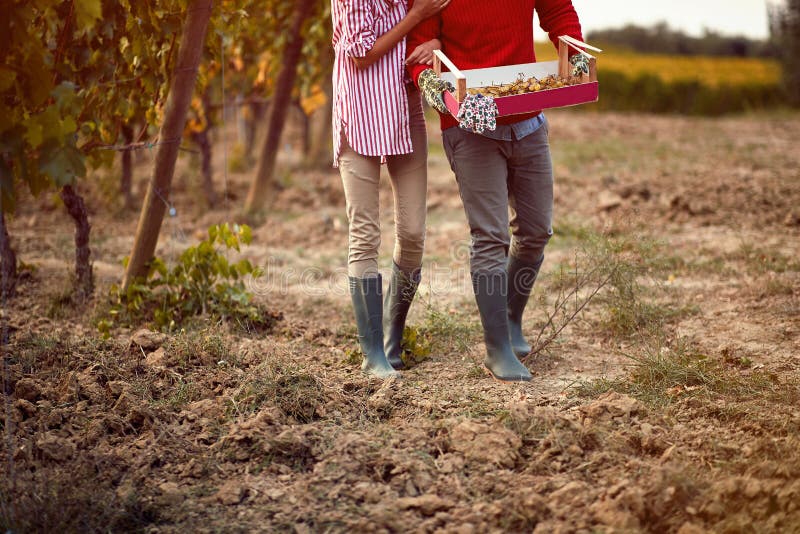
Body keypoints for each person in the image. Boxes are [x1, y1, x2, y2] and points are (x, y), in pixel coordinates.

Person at [406, 0, 587, 382]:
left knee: (536, 231)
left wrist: (575, 51)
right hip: (469, 127)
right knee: (490, 236)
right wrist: (448, 97)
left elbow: (557, 13)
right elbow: (418, 58)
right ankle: (497, 349)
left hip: (527, 117)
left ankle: (510, 318)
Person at [332, 0, 450, 378]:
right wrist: (415, 17)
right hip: (360, 110)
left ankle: (392, 337)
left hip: (404, 109)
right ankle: (372, 356)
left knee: (413, 231)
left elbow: (440, 24)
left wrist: (437, 43)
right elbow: (361, 54)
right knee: (365, 232)